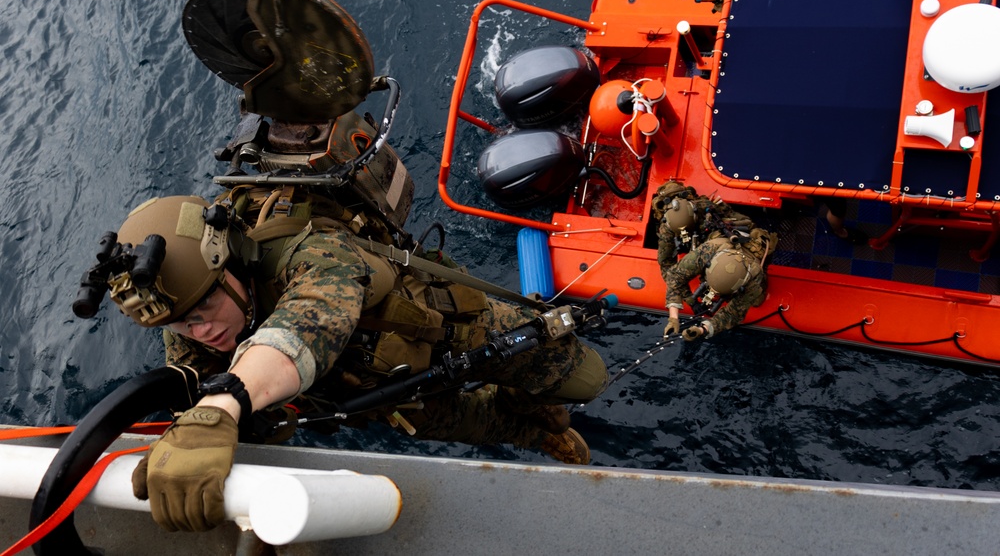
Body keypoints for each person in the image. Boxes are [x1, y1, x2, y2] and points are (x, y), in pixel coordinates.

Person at [85, 188, 608, 532]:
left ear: (230, 267)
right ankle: (537, 430)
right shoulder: (188, 320)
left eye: (204, 307)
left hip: (447, 330)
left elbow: (314, 317)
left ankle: (538, 399)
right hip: (374, 388)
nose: (199, 331)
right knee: (472, 423)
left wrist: (224, 406)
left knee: (583, 376)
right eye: (178, 324)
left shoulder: (310, 252)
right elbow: (193, 373)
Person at [661, 226, 778, 341]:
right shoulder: (709, 249)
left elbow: (733, 314)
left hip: (752, 261)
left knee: (757, 301)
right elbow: (675, 276)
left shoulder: (755, 278)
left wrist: (703, 329)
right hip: (720, 251)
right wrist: (673, 318)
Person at [650, 181, 754, 277]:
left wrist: (727, 223)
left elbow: (745, 221)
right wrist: (676, 282)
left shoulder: (704, 206)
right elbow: (665, 260)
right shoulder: (667, 226)